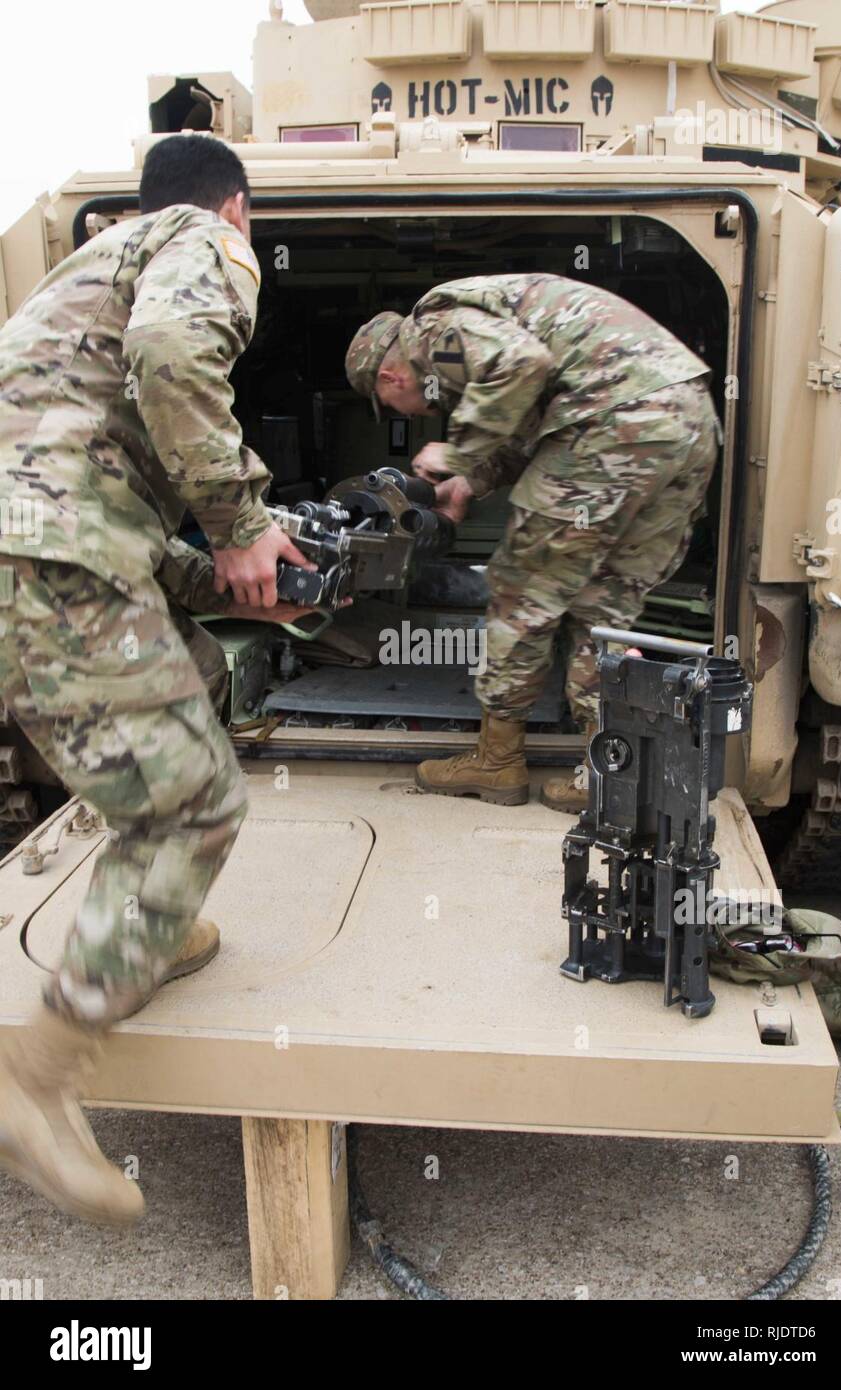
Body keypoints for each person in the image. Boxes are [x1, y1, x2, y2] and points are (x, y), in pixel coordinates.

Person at [0, 133, 314, 1225]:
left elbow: (105, 507)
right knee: (195, 806)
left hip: (39, 550)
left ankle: (156, 929)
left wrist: (240, 579)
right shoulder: (204, 242)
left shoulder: (74, 278)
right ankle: (37, 1078)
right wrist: (241, 522)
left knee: (184, 674)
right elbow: (177, 351)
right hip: (51, 552)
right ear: (237, 211)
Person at [345, 274, 720, 810]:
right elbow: (535, 415)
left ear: (389, 375)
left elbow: (521, 364)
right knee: (603, 604)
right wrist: (468, 484)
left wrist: (457, 453)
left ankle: (497, 763)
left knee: (522, 594)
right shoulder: (490, 329)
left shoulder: (429, 332)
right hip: (684, 423)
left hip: (612, 422)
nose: (411, 415)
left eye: (393, 405)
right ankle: (609, 774)